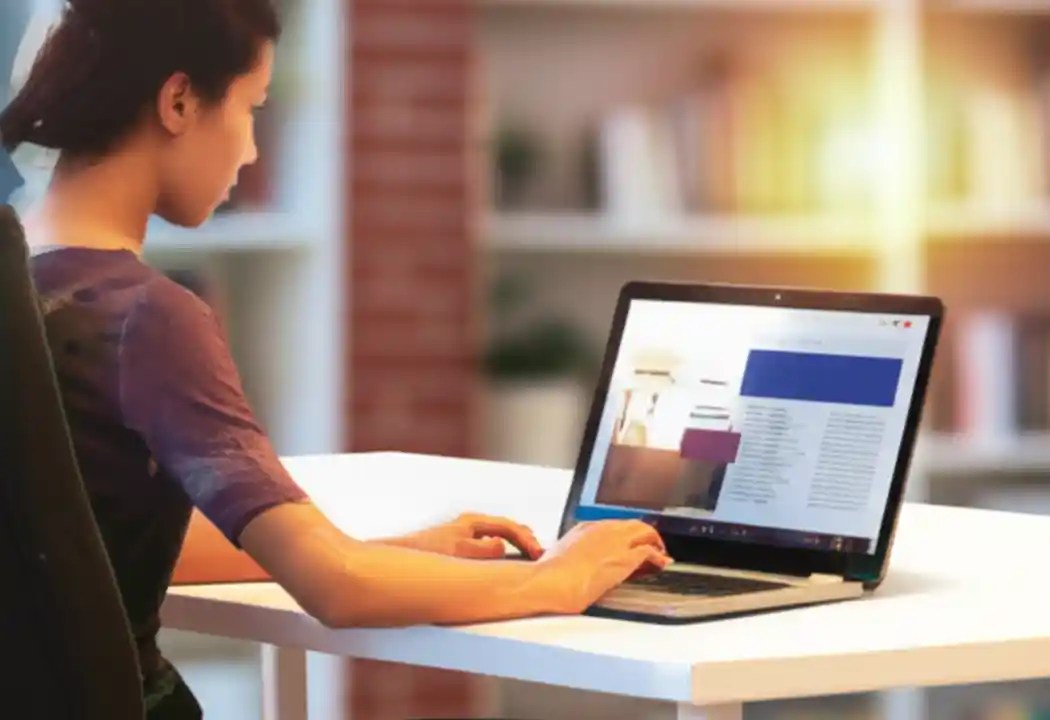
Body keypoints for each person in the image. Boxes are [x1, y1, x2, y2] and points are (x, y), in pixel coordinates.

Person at [0, 1, 671, 717]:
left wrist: (387, 550)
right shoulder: (147, 316)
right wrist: (558, 579)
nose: (251, 151)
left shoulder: (22, 287)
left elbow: (84, 544)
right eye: (252, 109)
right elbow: (337, 589)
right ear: (180, 101)